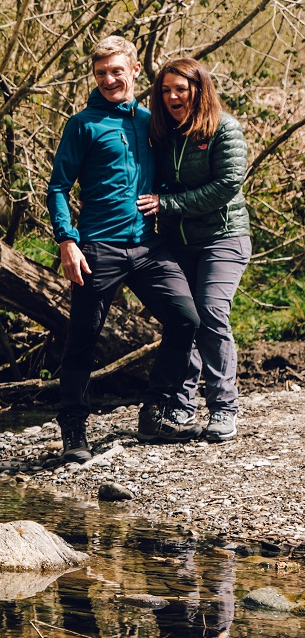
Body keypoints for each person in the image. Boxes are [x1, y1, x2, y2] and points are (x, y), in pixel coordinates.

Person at [46, 36, 202, 464]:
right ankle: (73, 430)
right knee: (83, 339)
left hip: (149, 247)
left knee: (186, 319)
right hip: (98, 248)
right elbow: (58, 187)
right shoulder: (82, 125)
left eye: (117, 71)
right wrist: (67, 241)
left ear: (134, 70)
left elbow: (173, 171)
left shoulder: (152, 121)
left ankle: (154, 413)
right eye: (101, 73)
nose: (109, 79)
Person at [138, 58, 250, 442]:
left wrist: (168, 204)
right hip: (176, 242)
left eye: (180, 90)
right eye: (166, 90)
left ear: (198, 91)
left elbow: (227, 184)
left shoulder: (224, 128)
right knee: (184, 318)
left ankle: (223, 409)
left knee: (211, 312)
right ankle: (181, 405)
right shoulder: (160, 134)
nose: (172, 97)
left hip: (223, 237)